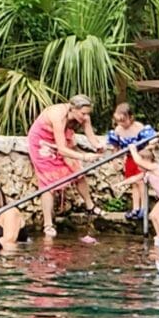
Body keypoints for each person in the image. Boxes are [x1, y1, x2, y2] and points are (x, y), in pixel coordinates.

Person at [26, 95, 105, 237]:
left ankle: (90, 206)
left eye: (88, 113)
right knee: (47, 181)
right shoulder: (58, 115)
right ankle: (48, 224)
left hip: (62, 136)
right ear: (73, 109)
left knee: (78, 171)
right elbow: (62, 149)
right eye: (83, 113)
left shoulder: (83, 115)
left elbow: (91, 136)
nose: (86, 117)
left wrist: (98, 146)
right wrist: (84, 156)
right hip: (42, 141)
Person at [127, 138, 159, 239]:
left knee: (157, 215)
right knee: (152, 215)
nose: (138, 167)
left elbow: (138, 161)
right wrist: (120, 184)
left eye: (140, 165)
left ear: (146, 161)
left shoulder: (155, 167)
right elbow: (134, 178)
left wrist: (132, 149)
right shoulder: (148, 172)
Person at [109, 102, 149, 223]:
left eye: (124, 121)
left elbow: (149, 143)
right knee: (134, 183)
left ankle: (144, 207)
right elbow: (115, 147)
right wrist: (115, 159)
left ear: (131, 117)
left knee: (140, 181)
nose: (122, 124)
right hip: (129, 158)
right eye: (119, 121)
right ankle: (135, 207)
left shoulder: (139, 127)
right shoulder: (118, 130)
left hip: (141, 157)